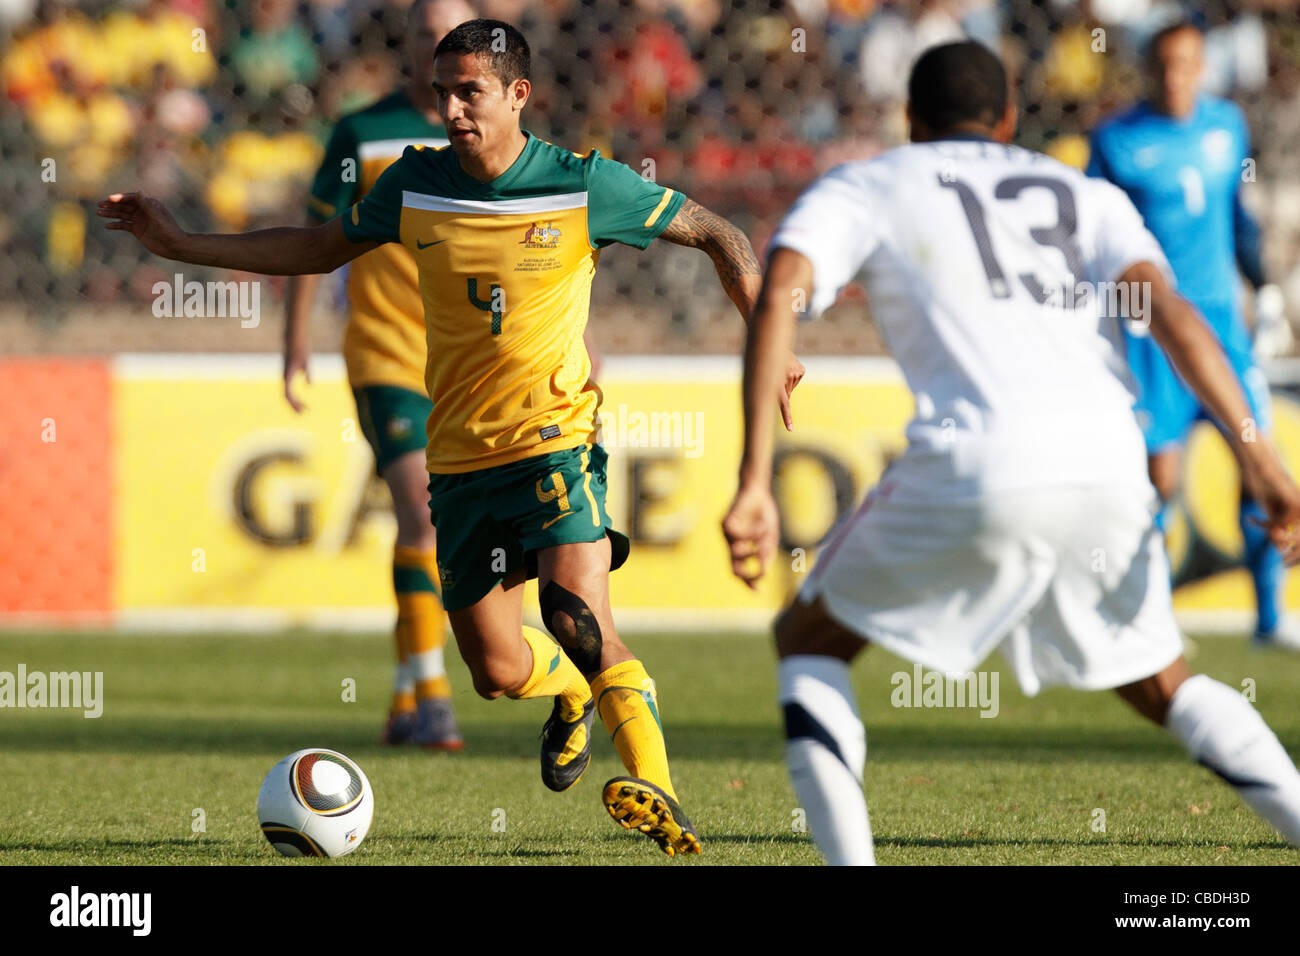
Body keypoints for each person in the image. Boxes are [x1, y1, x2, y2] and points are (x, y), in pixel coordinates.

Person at [101, 18, 803, 857]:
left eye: (470, 91)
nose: (453, 109)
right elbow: (320, 247)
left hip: (555, 439)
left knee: (577, 612)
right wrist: (179, 242)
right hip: (461, 459)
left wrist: (774, 336)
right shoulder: (414, 185)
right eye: (443, 92)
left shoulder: (584, 184)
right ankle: (571, 696)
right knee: (500, 670)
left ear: (518, 95)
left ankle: (659, 788)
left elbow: (721, 235)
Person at [722, 40, 1300, 866]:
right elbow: (1174, 316)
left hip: (975, 461)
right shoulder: (1082, 193)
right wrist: (1264, 461)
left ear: (910, 120)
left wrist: (753, 478)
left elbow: (782, 283)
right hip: (1107, 461)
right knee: (1160, 683)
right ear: (1008, 120)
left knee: (809, 641)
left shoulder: (874, 183)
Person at [284, 0, 474, 751]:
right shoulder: (361, 133)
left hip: (468, 367)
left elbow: (547, 242)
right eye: (430, 38)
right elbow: (314, 237)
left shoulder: (497, 140)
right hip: (385, 353)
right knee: (424, 515)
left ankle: (402, 692)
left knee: (443, 531)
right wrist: (295, 339)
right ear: (414, 52)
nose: (444, 50)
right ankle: (432, 694)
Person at [1087, 19, 1298, 650]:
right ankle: (1148, 617)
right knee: (1162, 483)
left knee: (1256, 460)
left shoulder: (1226, 127)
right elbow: (1096, 230)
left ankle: (1268, 618)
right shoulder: (1115, 139)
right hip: (1154, 336)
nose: (1176, 77)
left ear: (1202, 66)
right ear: (1148, 70)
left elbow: (1238, 216)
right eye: (1165, 65)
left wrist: (1262, 287)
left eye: (1187, 64)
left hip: (1224, 334)